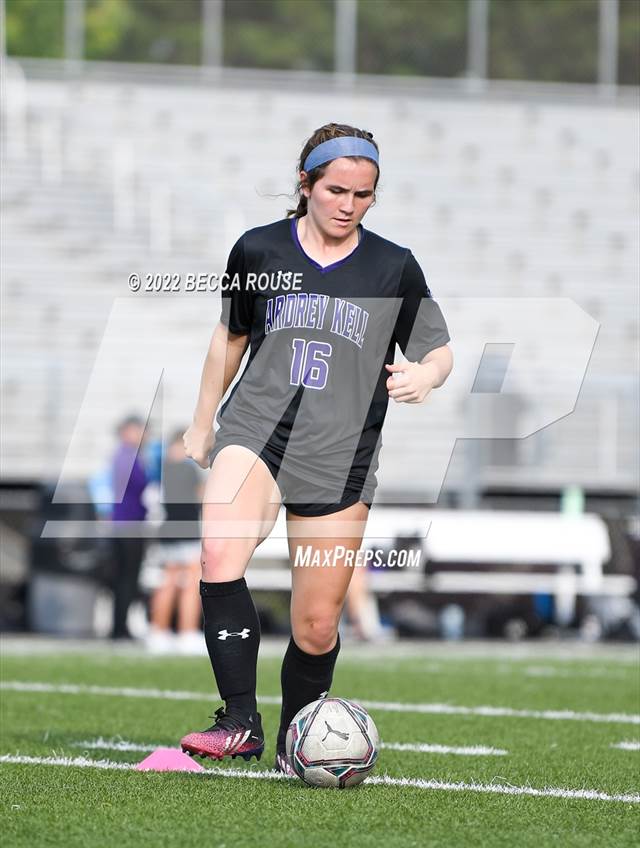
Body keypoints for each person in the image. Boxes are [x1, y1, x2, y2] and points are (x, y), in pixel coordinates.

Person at [179, 123, 453, 773]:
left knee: (316, 627)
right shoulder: (258, 249)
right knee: (219, 548)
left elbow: (438, 347)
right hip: (257, 430)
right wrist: (201, 422)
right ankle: (240, 719)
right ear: (305, 184)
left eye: (363, 194)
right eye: (335, 189)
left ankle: (292, 749)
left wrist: (426, 375)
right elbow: (230, 339)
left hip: (341, 453)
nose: (348, 204)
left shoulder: (393, 266)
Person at [145, 430, 204, 654]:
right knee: (191, 583)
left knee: (167, 582)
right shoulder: (188, 470)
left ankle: (158, 631)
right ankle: (186, 632)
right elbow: (202, 497)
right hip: (187, 530)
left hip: (167, 531)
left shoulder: (163, 471)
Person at [110, 414, 148, 640]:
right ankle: (120, 628)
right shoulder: (127, 456)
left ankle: (120, 626)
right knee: (126, 578)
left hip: (126, 525)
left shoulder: (127, 455)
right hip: (129, 525)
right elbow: (139, 485)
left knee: (125, 578)